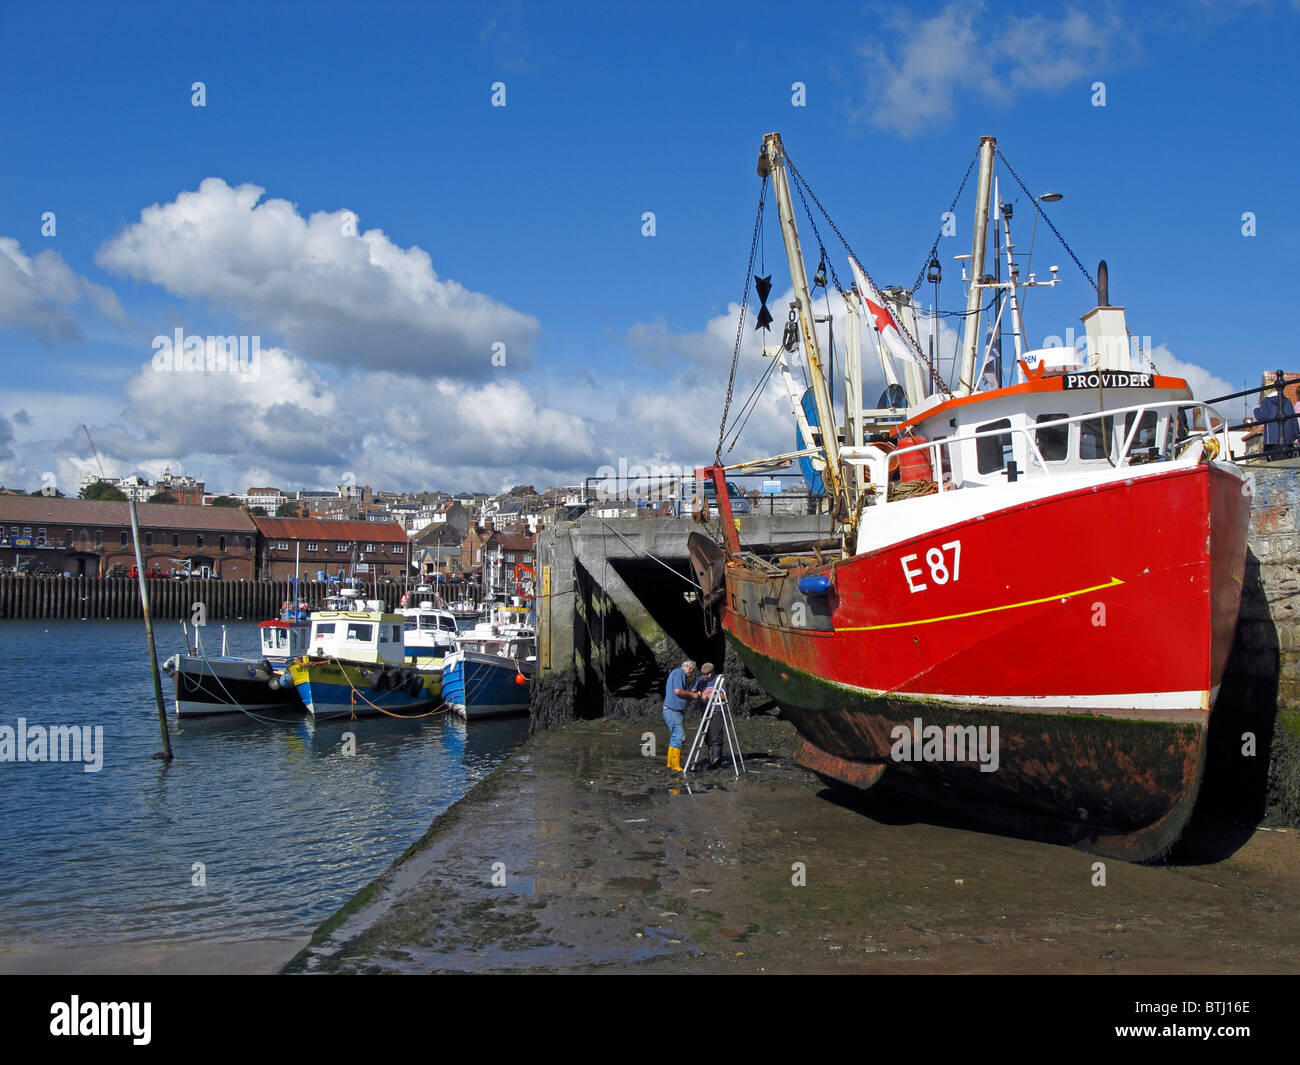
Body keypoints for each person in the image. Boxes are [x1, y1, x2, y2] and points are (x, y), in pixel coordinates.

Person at [662, 659, 701, 772]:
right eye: (691, 672)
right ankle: (675, 765)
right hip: (673, 710)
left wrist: (690, 695)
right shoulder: (680, 673)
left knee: (675, 736)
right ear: (689, 668)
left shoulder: (675, 673)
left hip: (671, 710)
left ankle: (670, 763)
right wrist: (692, 695)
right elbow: (678, 691)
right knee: (679, 736)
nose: (690, 674)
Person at [1253, 372, 1299, 451]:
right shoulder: (1288, 401)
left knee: (1272, 460)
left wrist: (1256, 410)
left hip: (1271, 440)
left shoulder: (1267, 401)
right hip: (1288, 439)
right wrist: (1297, 436)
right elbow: (1293, 419)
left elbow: (1262, 417)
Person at [692, 662, 725, 770]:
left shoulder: (719, 680)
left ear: (711, 673)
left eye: (707, 675)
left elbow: (723, 696)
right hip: (705, 712)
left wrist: (710, 697)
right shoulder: (701, 680)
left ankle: (716, 762)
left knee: (716, 737)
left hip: (716, 711)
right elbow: (694, 691)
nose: (705, 677)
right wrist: (699, 695)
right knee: (708, 738)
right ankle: (711, 759)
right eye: (704, 674)